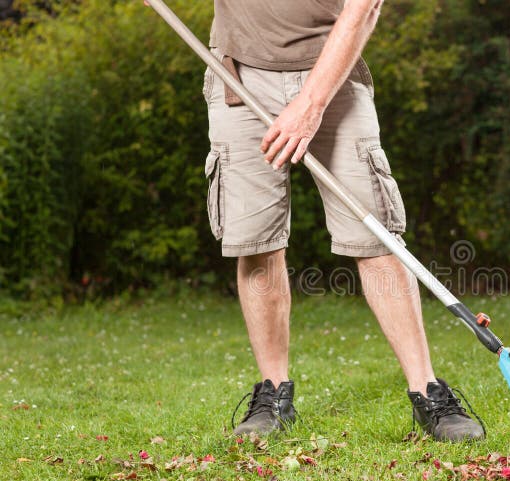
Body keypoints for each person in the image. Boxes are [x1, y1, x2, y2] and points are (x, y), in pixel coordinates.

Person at [152, 0, 484, 442]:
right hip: (238, 73)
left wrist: (311, 103)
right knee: (255, 242)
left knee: (378, 238)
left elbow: (364, 8)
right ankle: (273, 397)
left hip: (333, 69)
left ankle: (428, 395)